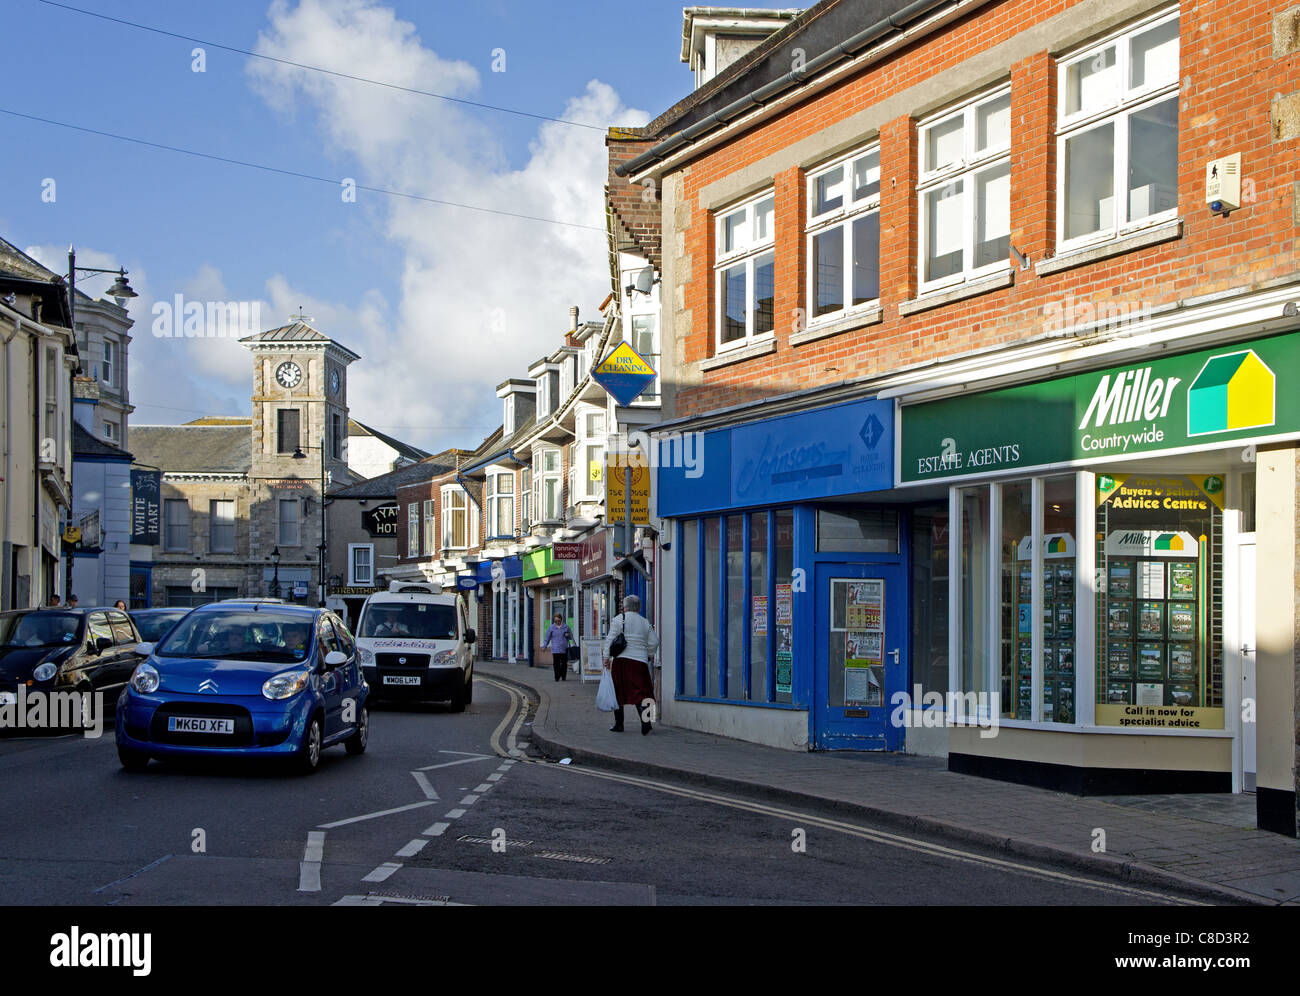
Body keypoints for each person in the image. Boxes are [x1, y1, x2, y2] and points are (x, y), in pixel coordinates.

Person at [603, 595, 659, 735]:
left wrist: (606, 658)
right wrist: (649, 654)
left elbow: (609, 639)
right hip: (640, 662)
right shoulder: (645, 622)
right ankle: (647, 724)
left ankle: (619, 724)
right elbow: (654, 641)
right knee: (644, 692)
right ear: (638, 607)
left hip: (621, 661)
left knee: (618, 692)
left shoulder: (619, 619)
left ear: (625, 606)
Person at [540, 613, 574, 682]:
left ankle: (563, 676)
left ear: (561, 620)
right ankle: (557, 677)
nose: (557, 622)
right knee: (556, 664)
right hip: (555, 649)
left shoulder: (566, 627)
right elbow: (547, 638)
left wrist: (568, 635)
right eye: (555, 621)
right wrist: (544, 646)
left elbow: (571, 637)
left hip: (564, 648)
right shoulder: (551, 628)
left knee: (564, 664)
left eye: (558, 620)